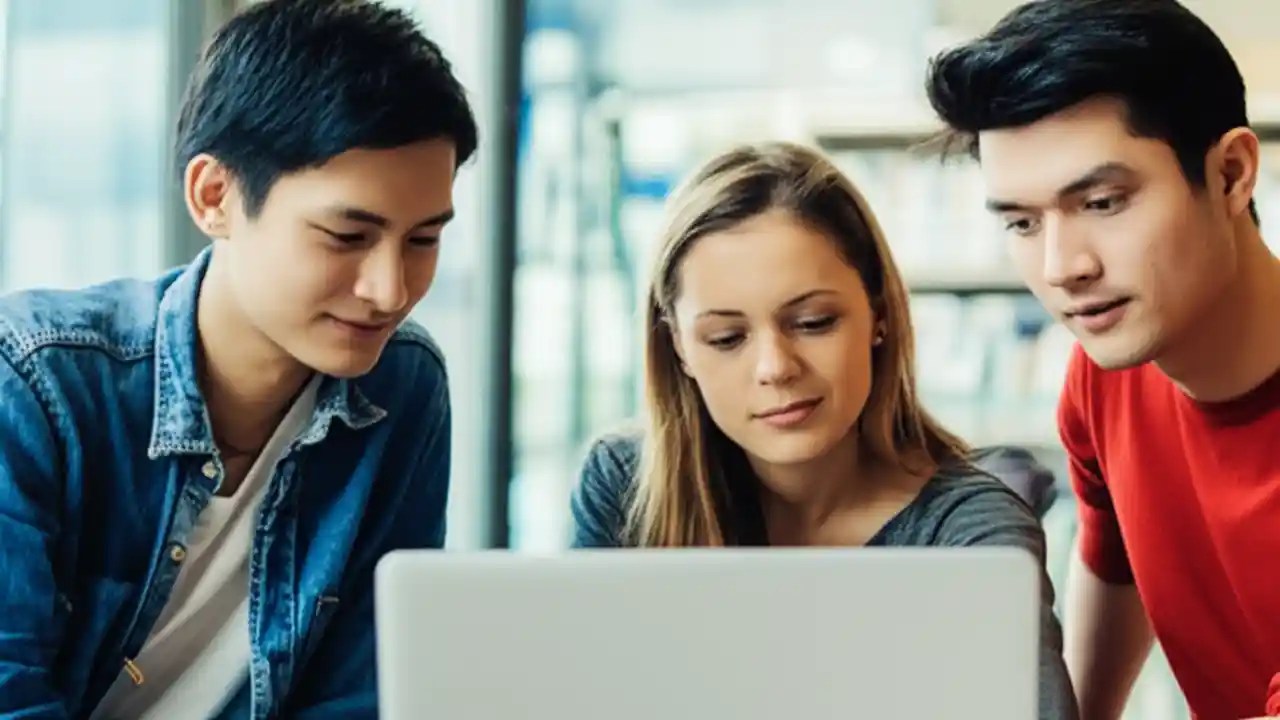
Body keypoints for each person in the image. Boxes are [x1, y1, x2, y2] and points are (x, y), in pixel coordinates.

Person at [0, 0, 476, 717]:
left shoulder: (402, 386)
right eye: (347, 236)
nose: (390, 291)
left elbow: (362, 693)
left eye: (422, 241)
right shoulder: (36, 383)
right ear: (214, 196)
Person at [569, 141, 1078, 720]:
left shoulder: (968, 532)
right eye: (727, 339)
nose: (775, 368)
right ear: (679, 348)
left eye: (813, 323)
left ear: (879, 317)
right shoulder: (625, 483)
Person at [924, 1, 1280, 718]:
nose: (1061, 267)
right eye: (1023, 223)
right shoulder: (1104, 378)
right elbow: (1112, 555)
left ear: (1231, 173)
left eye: (1103, 202)